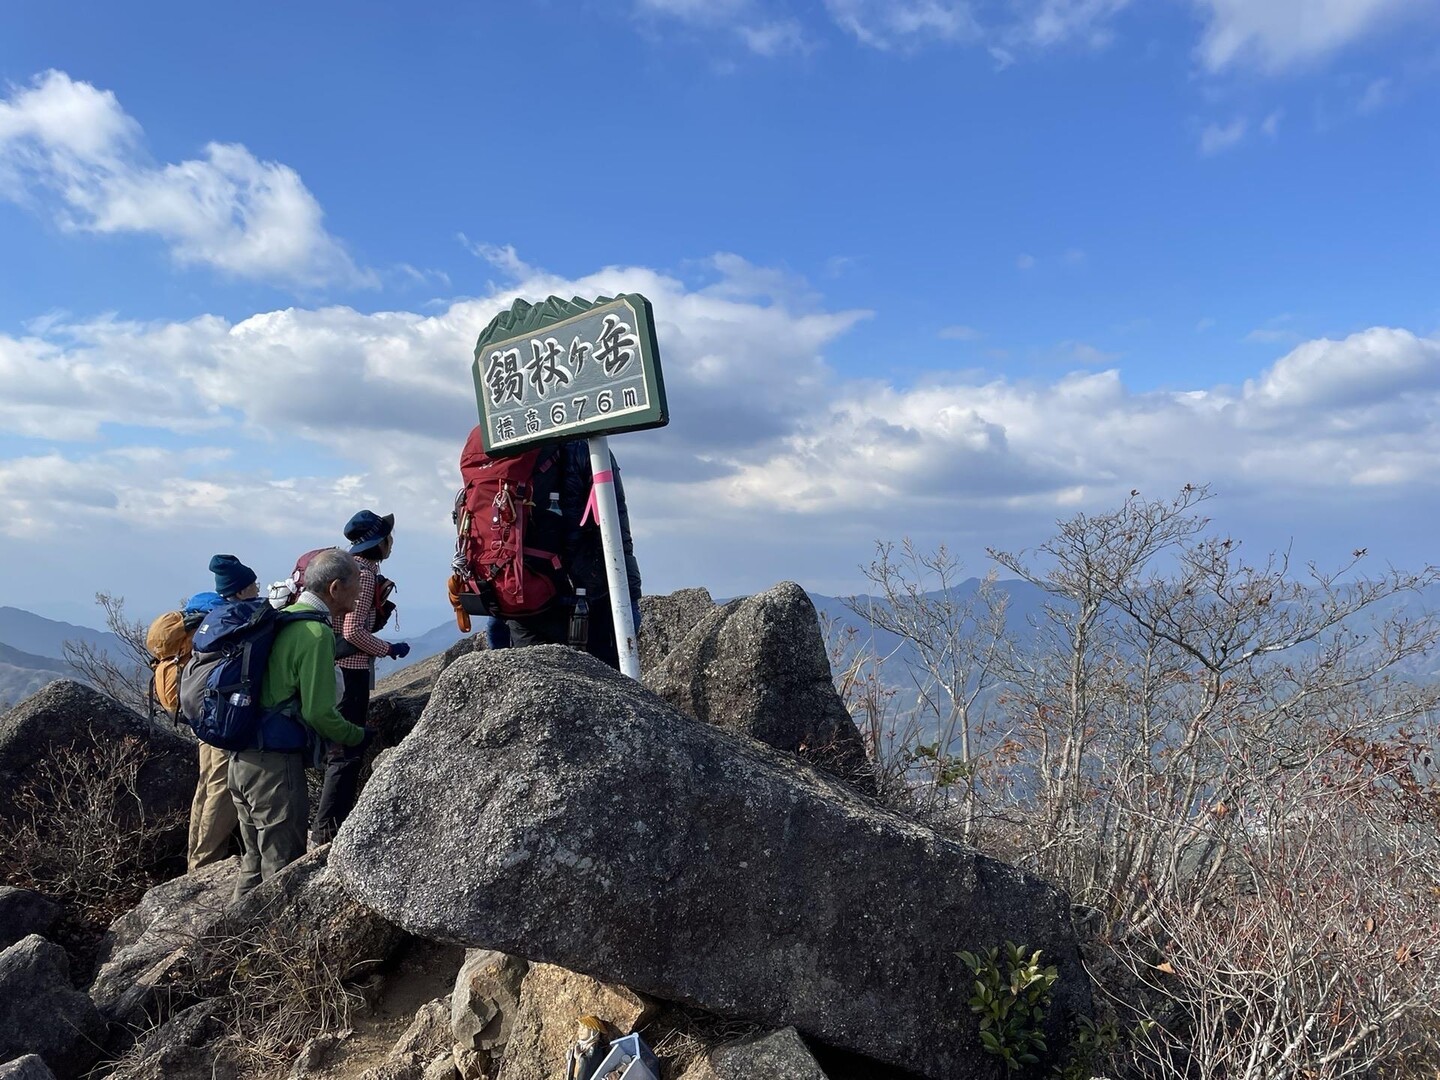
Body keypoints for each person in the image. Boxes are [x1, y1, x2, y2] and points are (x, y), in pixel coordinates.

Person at [227, 548, 367, 897]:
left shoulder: (282, 617)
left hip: (242, 759)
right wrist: (357, 735)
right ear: (335, 589)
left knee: (253, 863)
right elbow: (318, 712)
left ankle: (231, 944)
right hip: (274, 767)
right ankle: (274, 950)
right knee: (282, 869)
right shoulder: (315, 636)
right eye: (357, 586)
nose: (360, 594)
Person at [310, 510, 409, 846]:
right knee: (346, 749)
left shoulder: (346, 566)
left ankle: (326, 826)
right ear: (377, 543)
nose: (391, 543)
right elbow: (353, 631)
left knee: (339, 748)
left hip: (333, 664)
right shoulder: (363, 575)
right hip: (350, 669)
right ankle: (328, 830)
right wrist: (387, 648)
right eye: (387, 538)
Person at [506, 440, 643, 670]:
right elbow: (616, 527)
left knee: (534, 689)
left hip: (520, 595)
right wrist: (630, 592)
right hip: (586, 597)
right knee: (606, 690)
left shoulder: (509, 450)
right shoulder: (589, 448)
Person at [185, 555, 257, 873]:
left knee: (206, 783)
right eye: (252, 584)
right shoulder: (237, 619)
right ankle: (204, 864)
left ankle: (195, 857)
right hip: (220, 713)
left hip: (202, 712)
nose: (257, 588)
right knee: (220, 787)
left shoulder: (212, 618)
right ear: (240, 592)